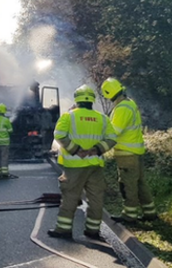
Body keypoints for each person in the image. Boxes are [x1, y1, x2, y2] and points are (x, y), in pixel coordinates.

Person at [47, 84, 117, 241]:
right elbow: (112, 139)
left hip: (74, 166)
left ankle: (63, 230)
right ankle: (92, 231)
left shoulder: (68, 116)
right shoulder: (102, 118)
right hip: (95, 166)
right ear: (92, 100)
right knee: (96, 199)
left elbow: (59, 135)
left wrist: (76, 150)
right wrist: (97, 150)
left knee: (70, 197)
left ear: (76, 100)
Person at [101, 78, 157, 222]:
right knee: (140, 183)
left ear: (109, 93)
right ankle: (150, 212)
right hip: (136, 152)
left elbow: (114, 131)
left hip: (127, 154)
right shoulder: (130, 104)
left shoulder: (122, 108)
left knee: (128, 185)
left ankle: (130, 215)